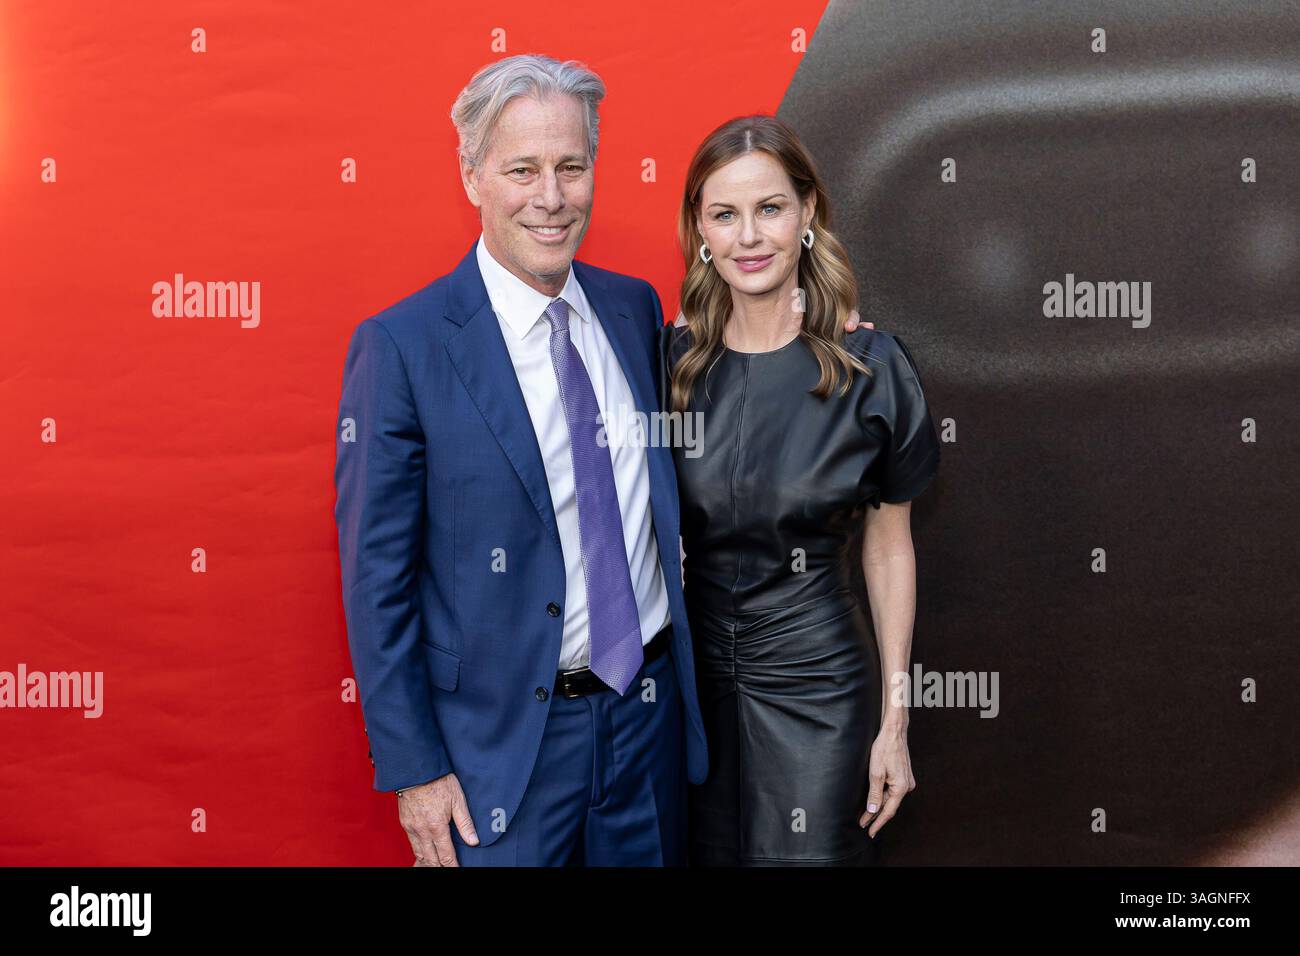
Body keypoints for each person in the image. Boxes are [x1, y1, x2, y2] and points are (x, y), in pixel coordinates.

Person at [661, 114, 942, 865]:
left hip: (818, 683)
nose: (749, 236)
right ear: (700, 230)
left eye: (771, 208)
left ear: (808, 213)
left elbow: (889, 553)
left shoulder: (871, 369)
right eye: (725, 214)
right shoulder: (670, 364)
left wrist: (895, 722)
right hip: (690, 696)